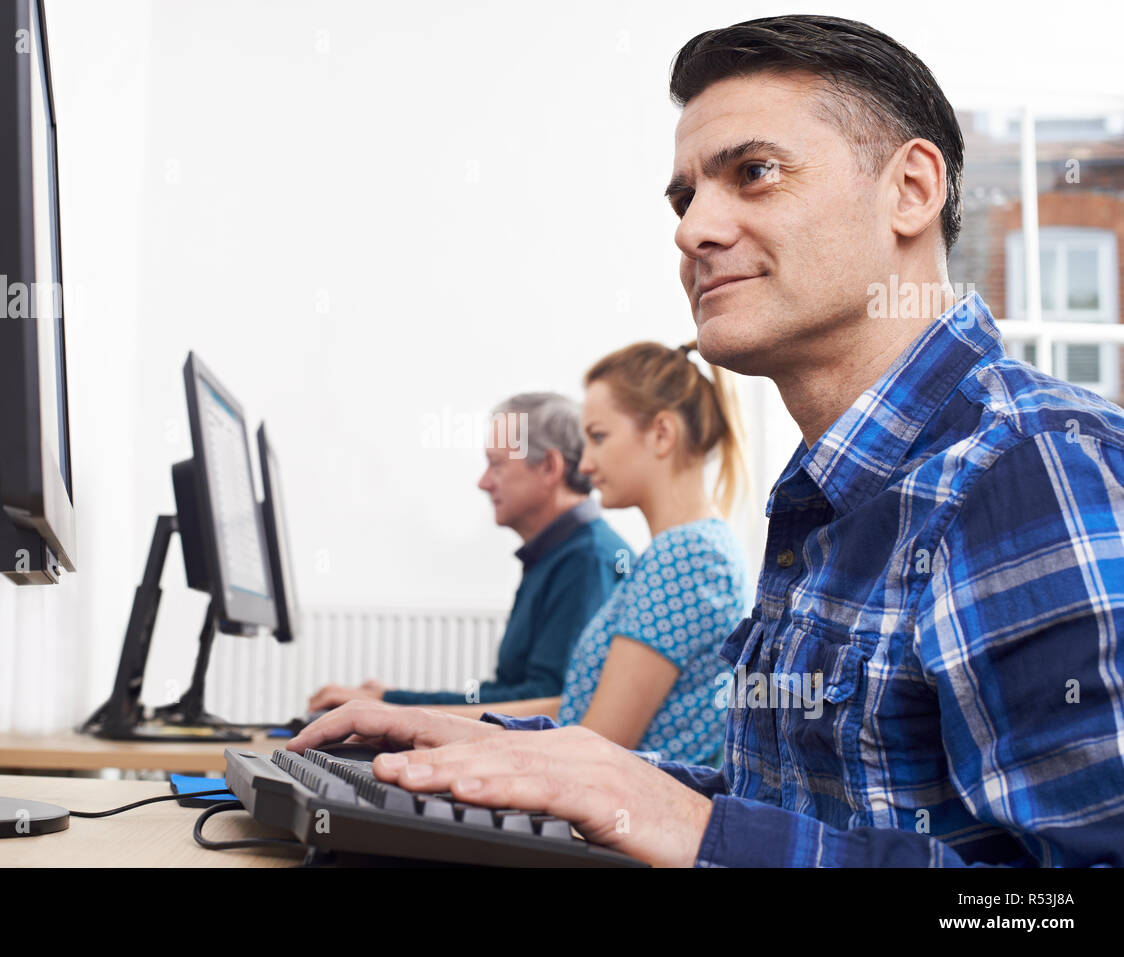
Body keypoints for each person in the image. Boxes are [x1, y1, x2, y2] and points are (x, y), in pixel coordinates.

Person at [290, 15, 1124, 867]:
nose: (692, 231)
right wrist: (523, 750)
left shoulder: (1033, 463)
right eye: (685, 197)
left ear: (911, 190)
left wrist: (691, 826)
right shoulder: (832, 493)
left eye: (754, 173)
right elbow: (784, 812)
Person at [429, 341, 750, 765]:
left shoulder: (685, 556)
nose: (584, 465)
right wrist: (425, 721)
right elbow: (574, 712)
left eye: (599, 438)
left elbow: (596, 747)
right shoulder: (684, 551)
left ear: (662, 434)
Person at [308, 392, 629, 711]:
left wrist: (391, 704)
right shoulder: (561, 553)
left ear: (548, 466)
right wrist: (393, 699)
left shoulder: (588, 560)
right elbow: (513, 692)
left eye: (496, 465)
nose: (483, 482)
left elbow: (542, 705)